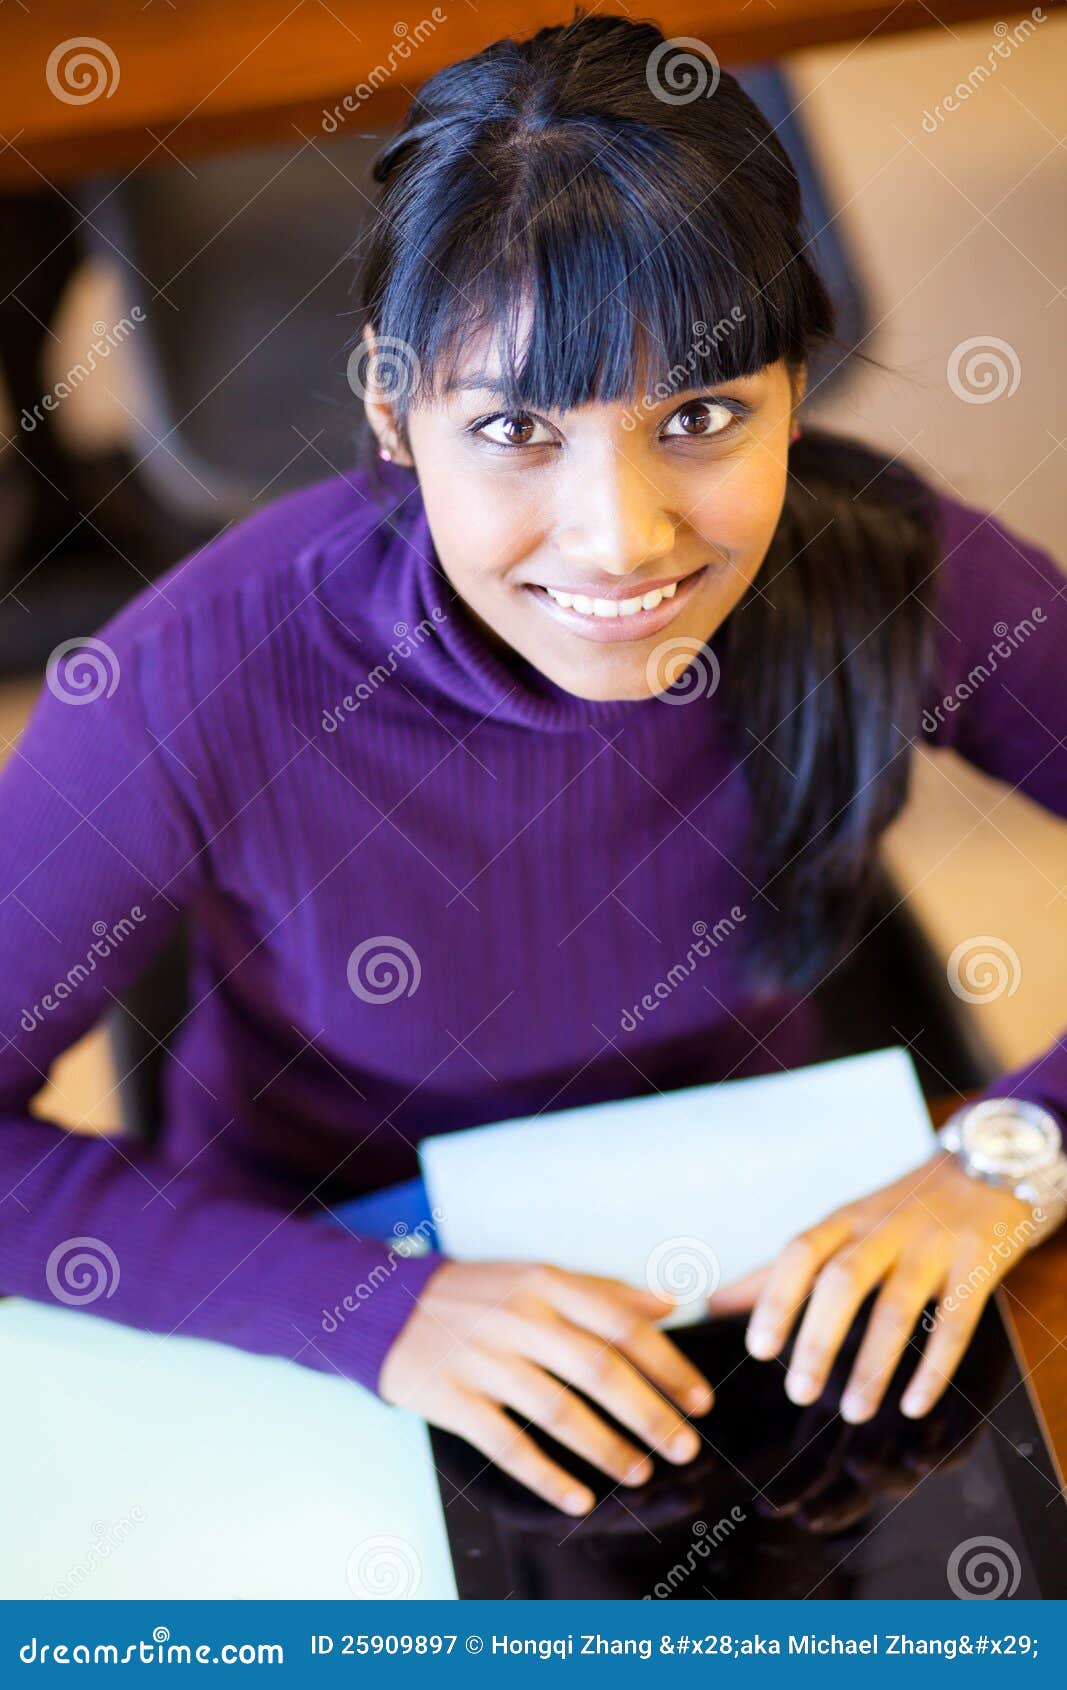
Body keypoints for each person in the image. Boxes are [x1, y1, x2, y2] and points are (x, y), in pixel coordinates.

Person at [1, 10, 1064, 1518]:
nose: (622, 540)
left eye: (701, 416)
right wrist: (372, 1308)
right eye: (513, 426)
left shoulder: (893, 564)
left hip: (758, 1231)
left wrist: (1012, 1155)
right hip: (328, 1262)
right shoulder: (183, 683)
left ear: (794, 387)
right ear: (392, 412)